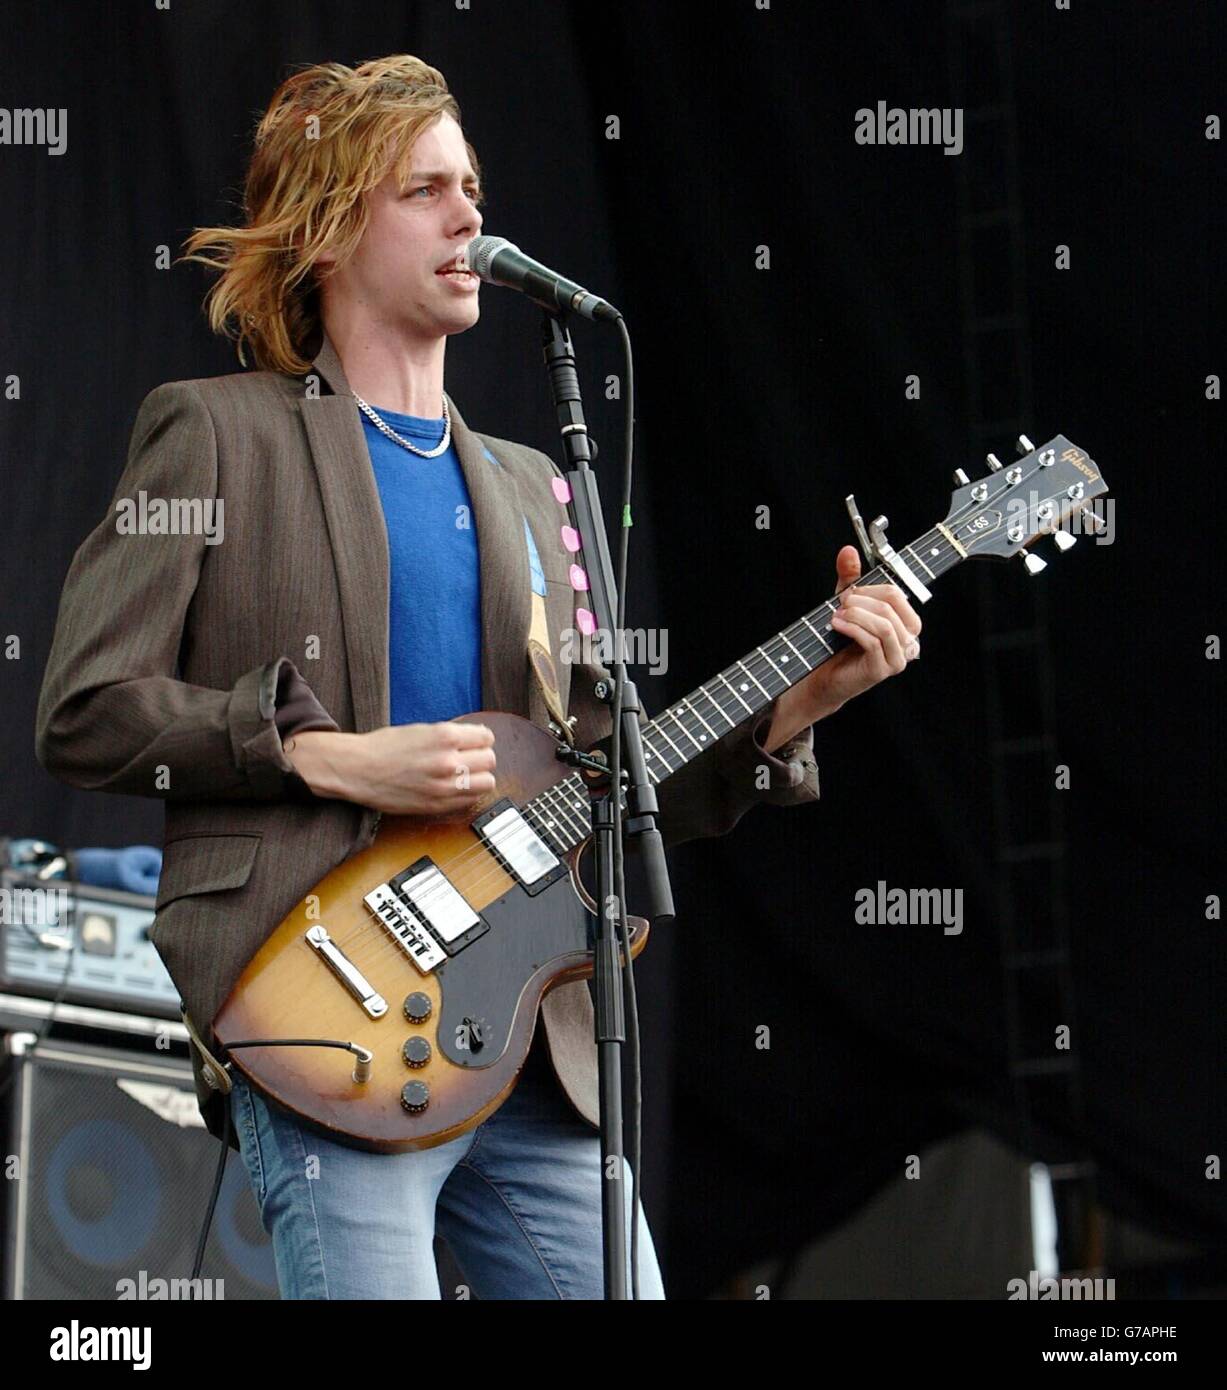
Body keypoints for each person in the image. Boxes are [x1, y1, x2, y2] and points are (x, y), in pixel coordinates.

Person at [35, 55, 921, 1300]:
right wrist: (320, 751)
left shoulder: (529, 484)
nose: (470, 218)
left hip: (533, 1034)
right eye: (425, 191)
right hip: (331, 1001)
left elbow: (612, 777)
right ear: (332, 228)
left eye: (474, 187)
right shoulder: (216, 431)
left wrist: (803, 701)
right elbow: (82, 708)